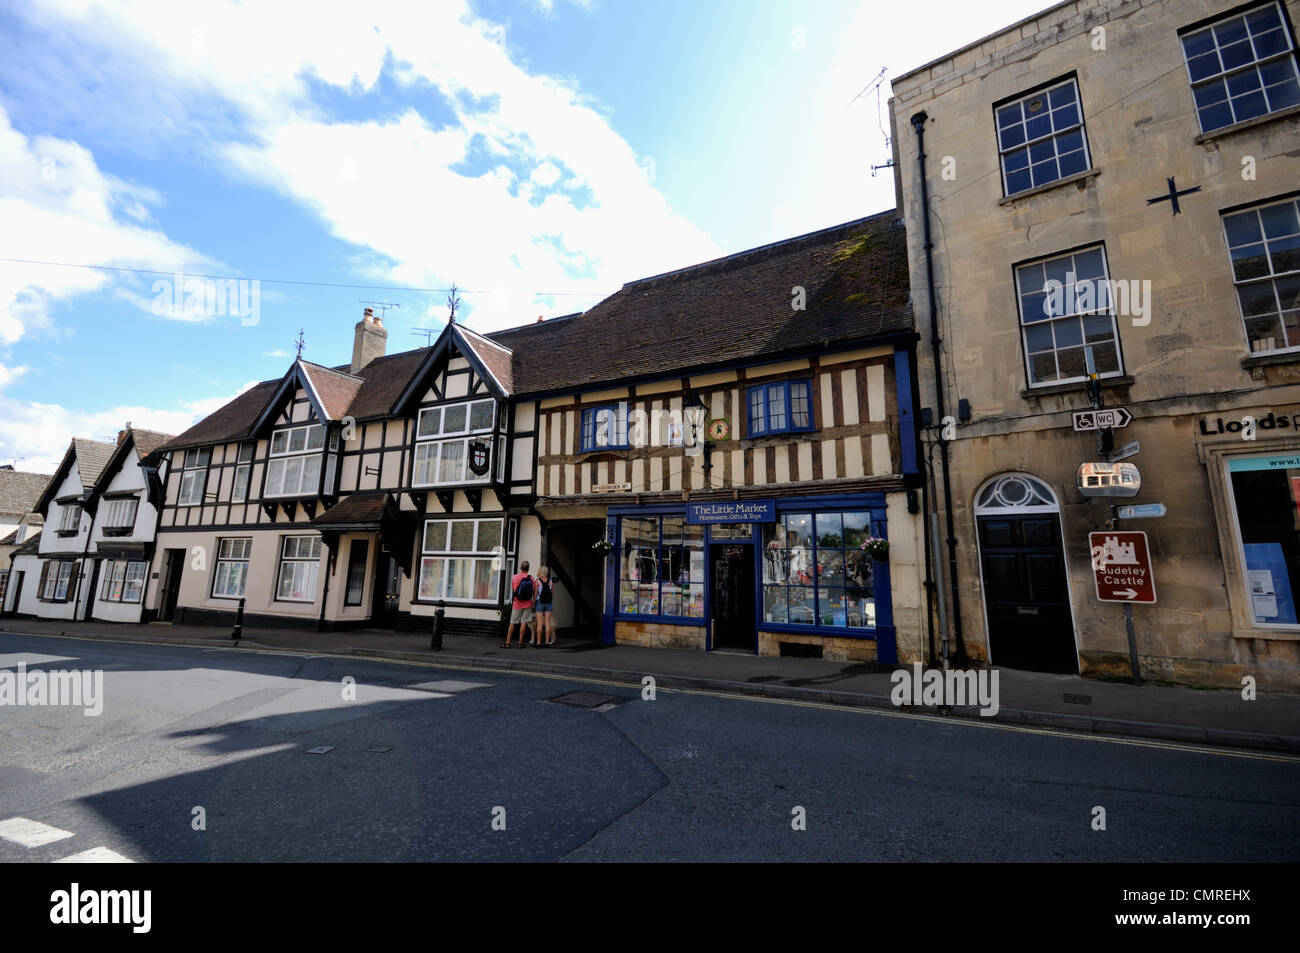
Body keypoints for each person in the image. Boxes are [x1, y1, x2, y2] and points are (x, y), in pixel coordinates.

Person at [503, 561, 535, 649]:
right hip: (527, 603)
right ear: (528, 568)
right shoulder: (531, 578)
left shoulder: (515, 577)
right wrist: (533, 603)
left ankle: (507, 643)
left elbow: (514, 589)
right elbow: (533, 591)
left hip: (517, 603)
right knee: (523, 623)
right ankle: (520, 643)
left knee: (512, 623)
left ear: (521, 568)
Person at [534, 566, 556, 647]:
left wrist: (533, 604)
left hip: (539, 602)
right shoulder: (550, 581)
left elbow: (535, 594)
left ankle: (539, 642)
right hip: (548, 603)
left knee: (540, 623)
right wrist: (550, 601)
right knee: (547, 622)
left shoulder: (537, 581)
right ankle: (547, 642)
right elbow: (552, 594)